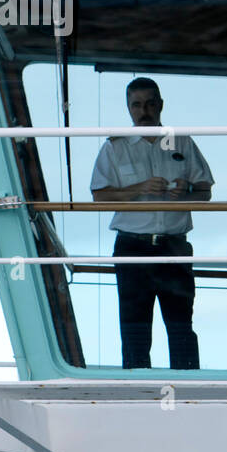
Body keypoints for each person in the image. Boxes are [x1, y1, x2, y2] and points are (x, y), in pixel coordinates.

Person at [90, 77, 213, 369]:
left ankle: (189, 390)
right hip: (133, 245)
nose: (143, 110)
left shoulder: (182, 141)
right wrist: (140, 188)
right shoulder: (115, 147)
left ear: (160, 104)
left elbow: (205, 192)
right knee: (135, 326)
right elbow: (99, 196)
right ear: (128, 108)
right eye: (137, 104)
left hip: (175, 246)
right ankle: (135, 390)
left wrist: (187, 190)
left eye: (149, 103)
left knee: (181, 323)